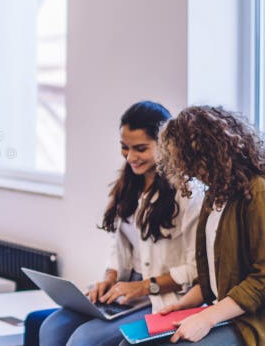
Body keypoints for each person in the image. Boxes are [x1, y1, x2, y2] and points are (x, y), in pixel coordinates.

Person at [40, 101, 203, 346]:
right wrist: (109, 278)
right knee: (52, 328)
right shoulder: (129, 186)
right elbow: (120, 247)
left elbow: (196, 269)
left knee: (84, 340)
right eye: (124, 148)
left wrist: (143, 287)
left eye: (140, 149)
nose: (130, 157)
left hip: (165, 296)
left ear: (166, 144)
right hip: (128, 290)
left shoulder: (188, 193)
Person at [127, 106, 265, 346]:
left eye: (189, 162)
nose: (189, 172)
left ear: (212, 151)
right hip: (219, 311)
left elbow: (261, 280)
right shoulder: (214, 195)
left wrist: (208, 317)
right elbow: (212, 277)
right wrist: (183, 305)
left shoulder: (257, 192)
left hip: (249, 320)